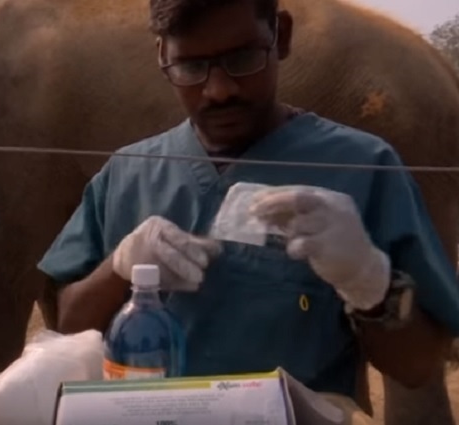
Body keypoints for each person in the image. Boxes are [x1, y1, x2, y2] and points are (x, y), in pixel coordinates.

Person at [37, 0, 459, 417]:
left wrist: (368, 281)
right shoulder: (129, 173)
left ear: (282, 36)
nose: (219, 90)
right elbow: (68, 325)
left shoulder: (361, 166)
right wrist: (118, 269)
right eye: (190, 67)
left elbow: (417, 365)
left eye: (242, 58)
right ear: (162, 56)